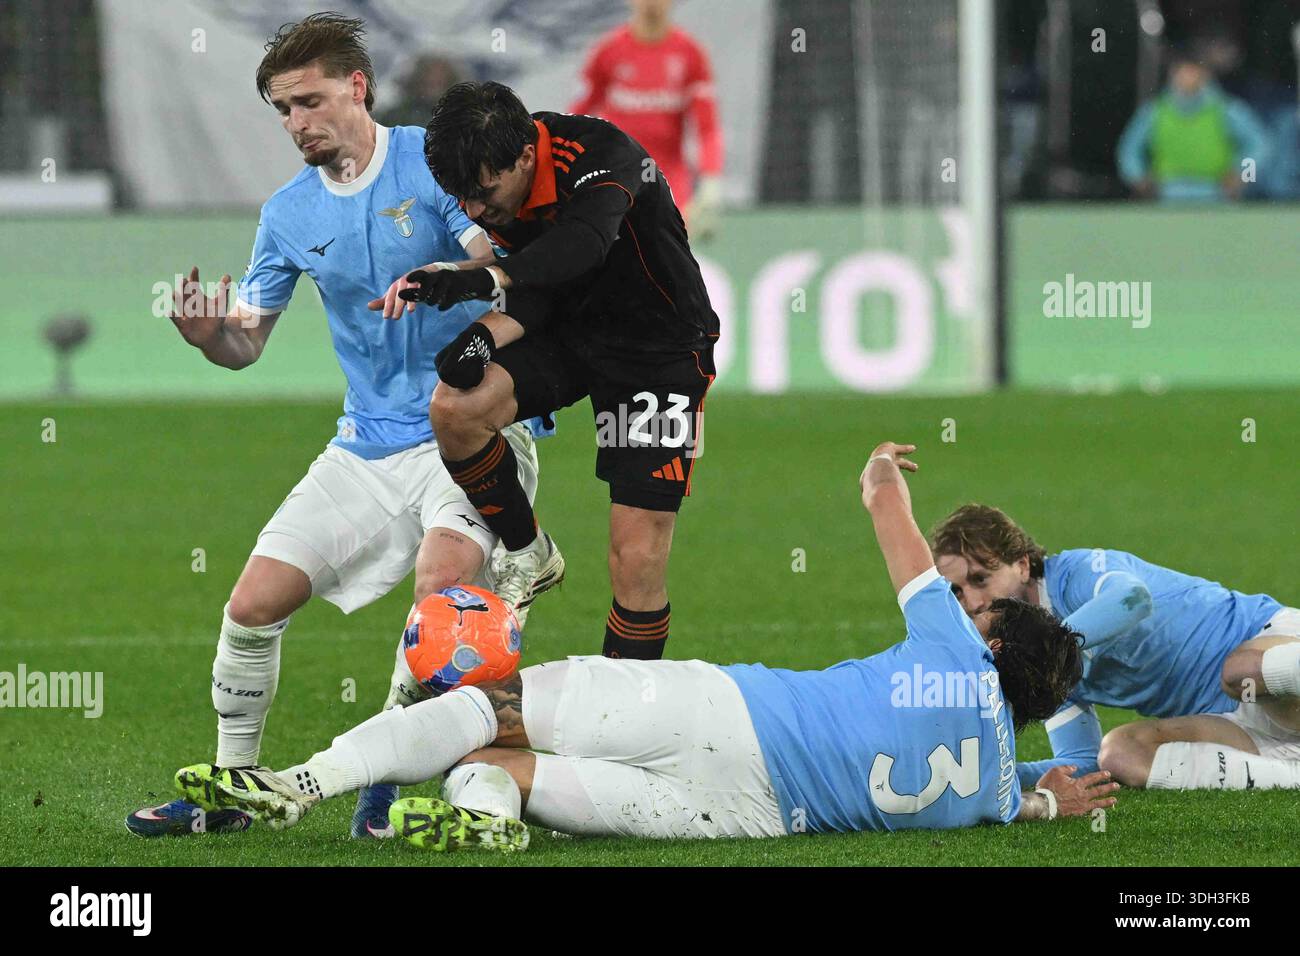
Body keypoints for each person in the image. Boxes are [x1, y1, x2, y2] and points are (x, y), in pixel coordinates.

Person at [173, 443, 1117, 852]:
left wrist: (880, 476)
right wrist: (1044, 787)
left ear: (993, 648)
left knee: (487, 708)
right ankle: (493, 813)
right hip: (732, 818)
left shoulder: (956, 652)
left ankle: (298, 785)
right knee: (513, 769)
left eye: (980, 606)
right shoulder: (994, 795)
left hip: (722, 712)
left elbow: (890, 514)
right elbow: (1011, 787)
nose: (966, 605)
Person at [127, 14, 553, 841]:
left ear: (357, 87)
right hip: (363, 447)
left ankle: (384, 785)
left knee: (441, 593)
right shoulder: (287, 214)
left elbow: (503, 277)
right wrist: (212, 335)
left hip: (468, 432)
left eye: (309, 101)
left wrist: (448, 279)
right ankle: (236, 785)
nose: (297, 124)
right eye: (282, 110)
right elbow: (247, 343)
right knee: (251, 607)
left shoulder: (433, 163)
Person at [381, 80, 720, 662]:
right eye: (460, 197)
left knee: (634, 556)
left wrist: (476, 278)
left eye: (484, 193)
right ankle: (527, 547)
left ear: (525, 156)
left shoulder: (602, 156)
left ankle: (626, 722)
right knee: (455, 404)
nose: (476, 211)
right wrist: (481, 332)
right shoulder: (496, 183)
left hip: (658, 353)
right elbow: (542, 287)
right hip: (571, 331)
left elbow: (582, 247)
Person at [929, 504, 1300, 792]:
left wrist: (1051, 646)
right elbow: (1082, 762)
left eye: (981, 578)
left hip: (1271, 651)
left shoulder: (1073, 576)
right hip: (1234, 722)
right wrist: (1000, 775)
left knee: (1238, 673)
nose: (973, 601)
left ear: (1023, 565)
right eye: (957, 591)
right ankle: (1289, 773)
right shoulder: (1038, 663)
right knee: (1122, 754)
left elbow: (1134, 598)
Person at [569, 0, 724, 239]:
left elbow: (707, 127)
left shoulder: (690, 54)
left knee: (663, 265)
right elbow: (576, 117)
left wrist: (710, 178)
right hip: (615, 177)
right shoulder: (608, 51)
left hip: (669, 182)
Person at [1116, 46, 1268, 202]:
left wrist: (1241, 175)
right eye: (1182, 72)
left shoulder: (1226, 109)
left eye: (1193, 71)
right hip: (1167, 195)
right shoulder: (1155, 112)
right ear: (1173, 74)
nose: (1187, 78)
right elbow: (1129, 149)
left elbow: (1259, 145)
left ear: (1205, 74)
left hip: (1216, 194)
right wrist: (1138, 177)